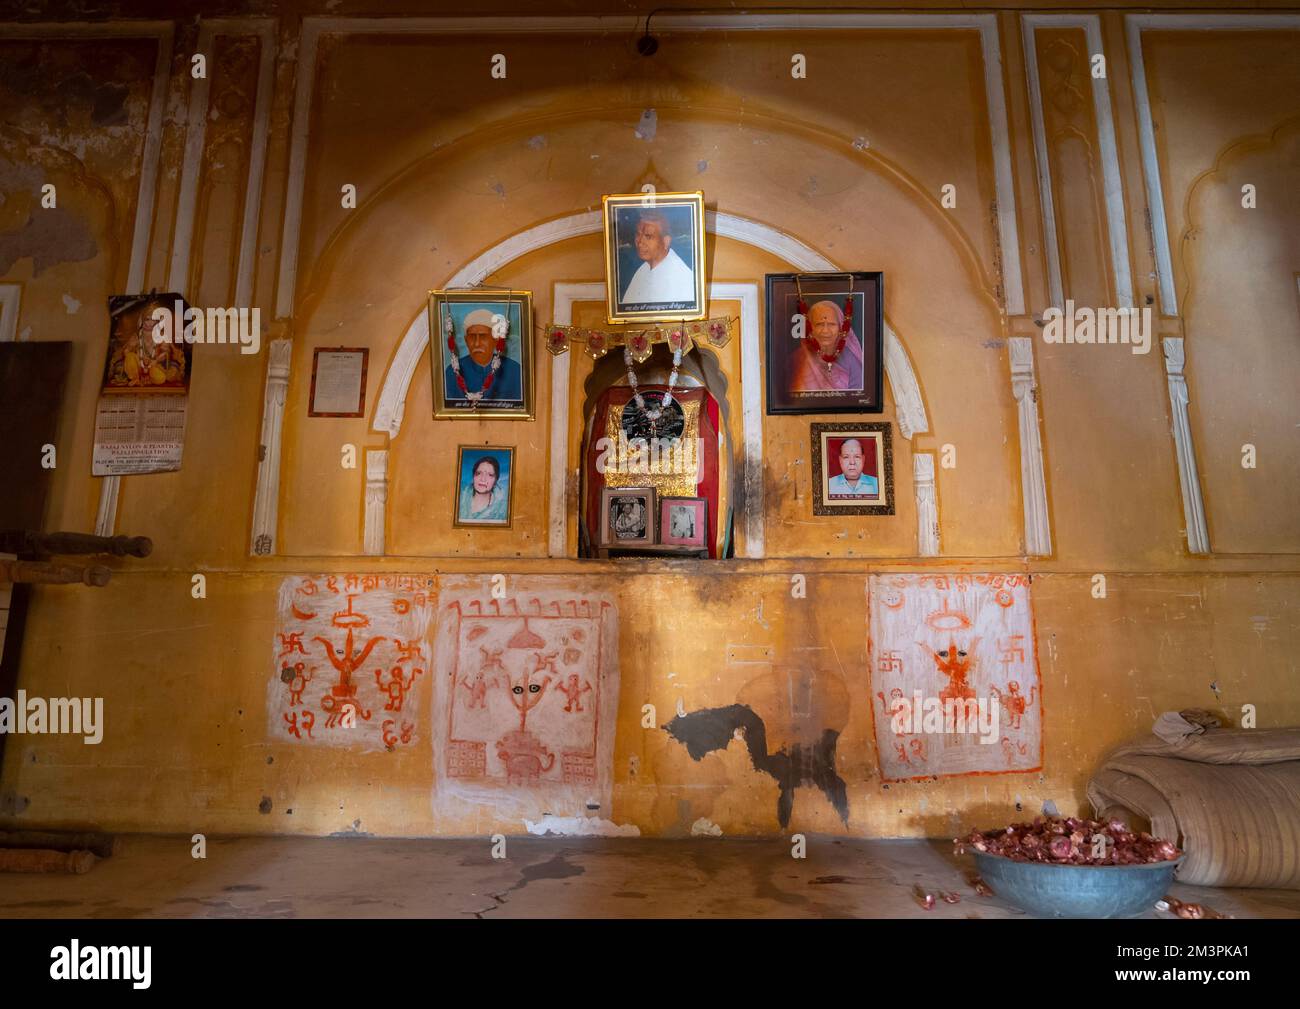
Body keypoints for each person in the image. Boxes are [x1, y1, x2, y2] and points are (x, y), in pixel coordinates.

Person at [445, 308, 522, 401]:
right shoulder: (451, 373)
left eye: (483, 336)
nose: (477, 343)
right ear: (466, 340)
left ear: (495, 340)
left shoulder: (514, 370)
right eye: (472, 337)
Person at [620, 210, 695, 305]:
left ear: (666, 242)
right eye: (638, 234)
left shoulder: (681, 277)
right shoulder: (644, 268)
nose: (640, 242)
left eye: (648, 236)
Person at [789, 299, 864, 393]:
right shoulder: (796, 359)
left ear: (840, 327)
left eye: (831, 324)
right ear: (810, 328)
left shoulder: (851, 359)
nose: (825, 331)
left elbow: (858, 397)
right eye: (819, 324)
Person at [459, 456, 509, 522]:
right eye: (479, 473)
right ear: (473, 476)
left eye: (490, 475)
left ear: (495, 481)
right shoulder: (460, 498)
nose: (483, 479)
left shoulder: (503, 509)